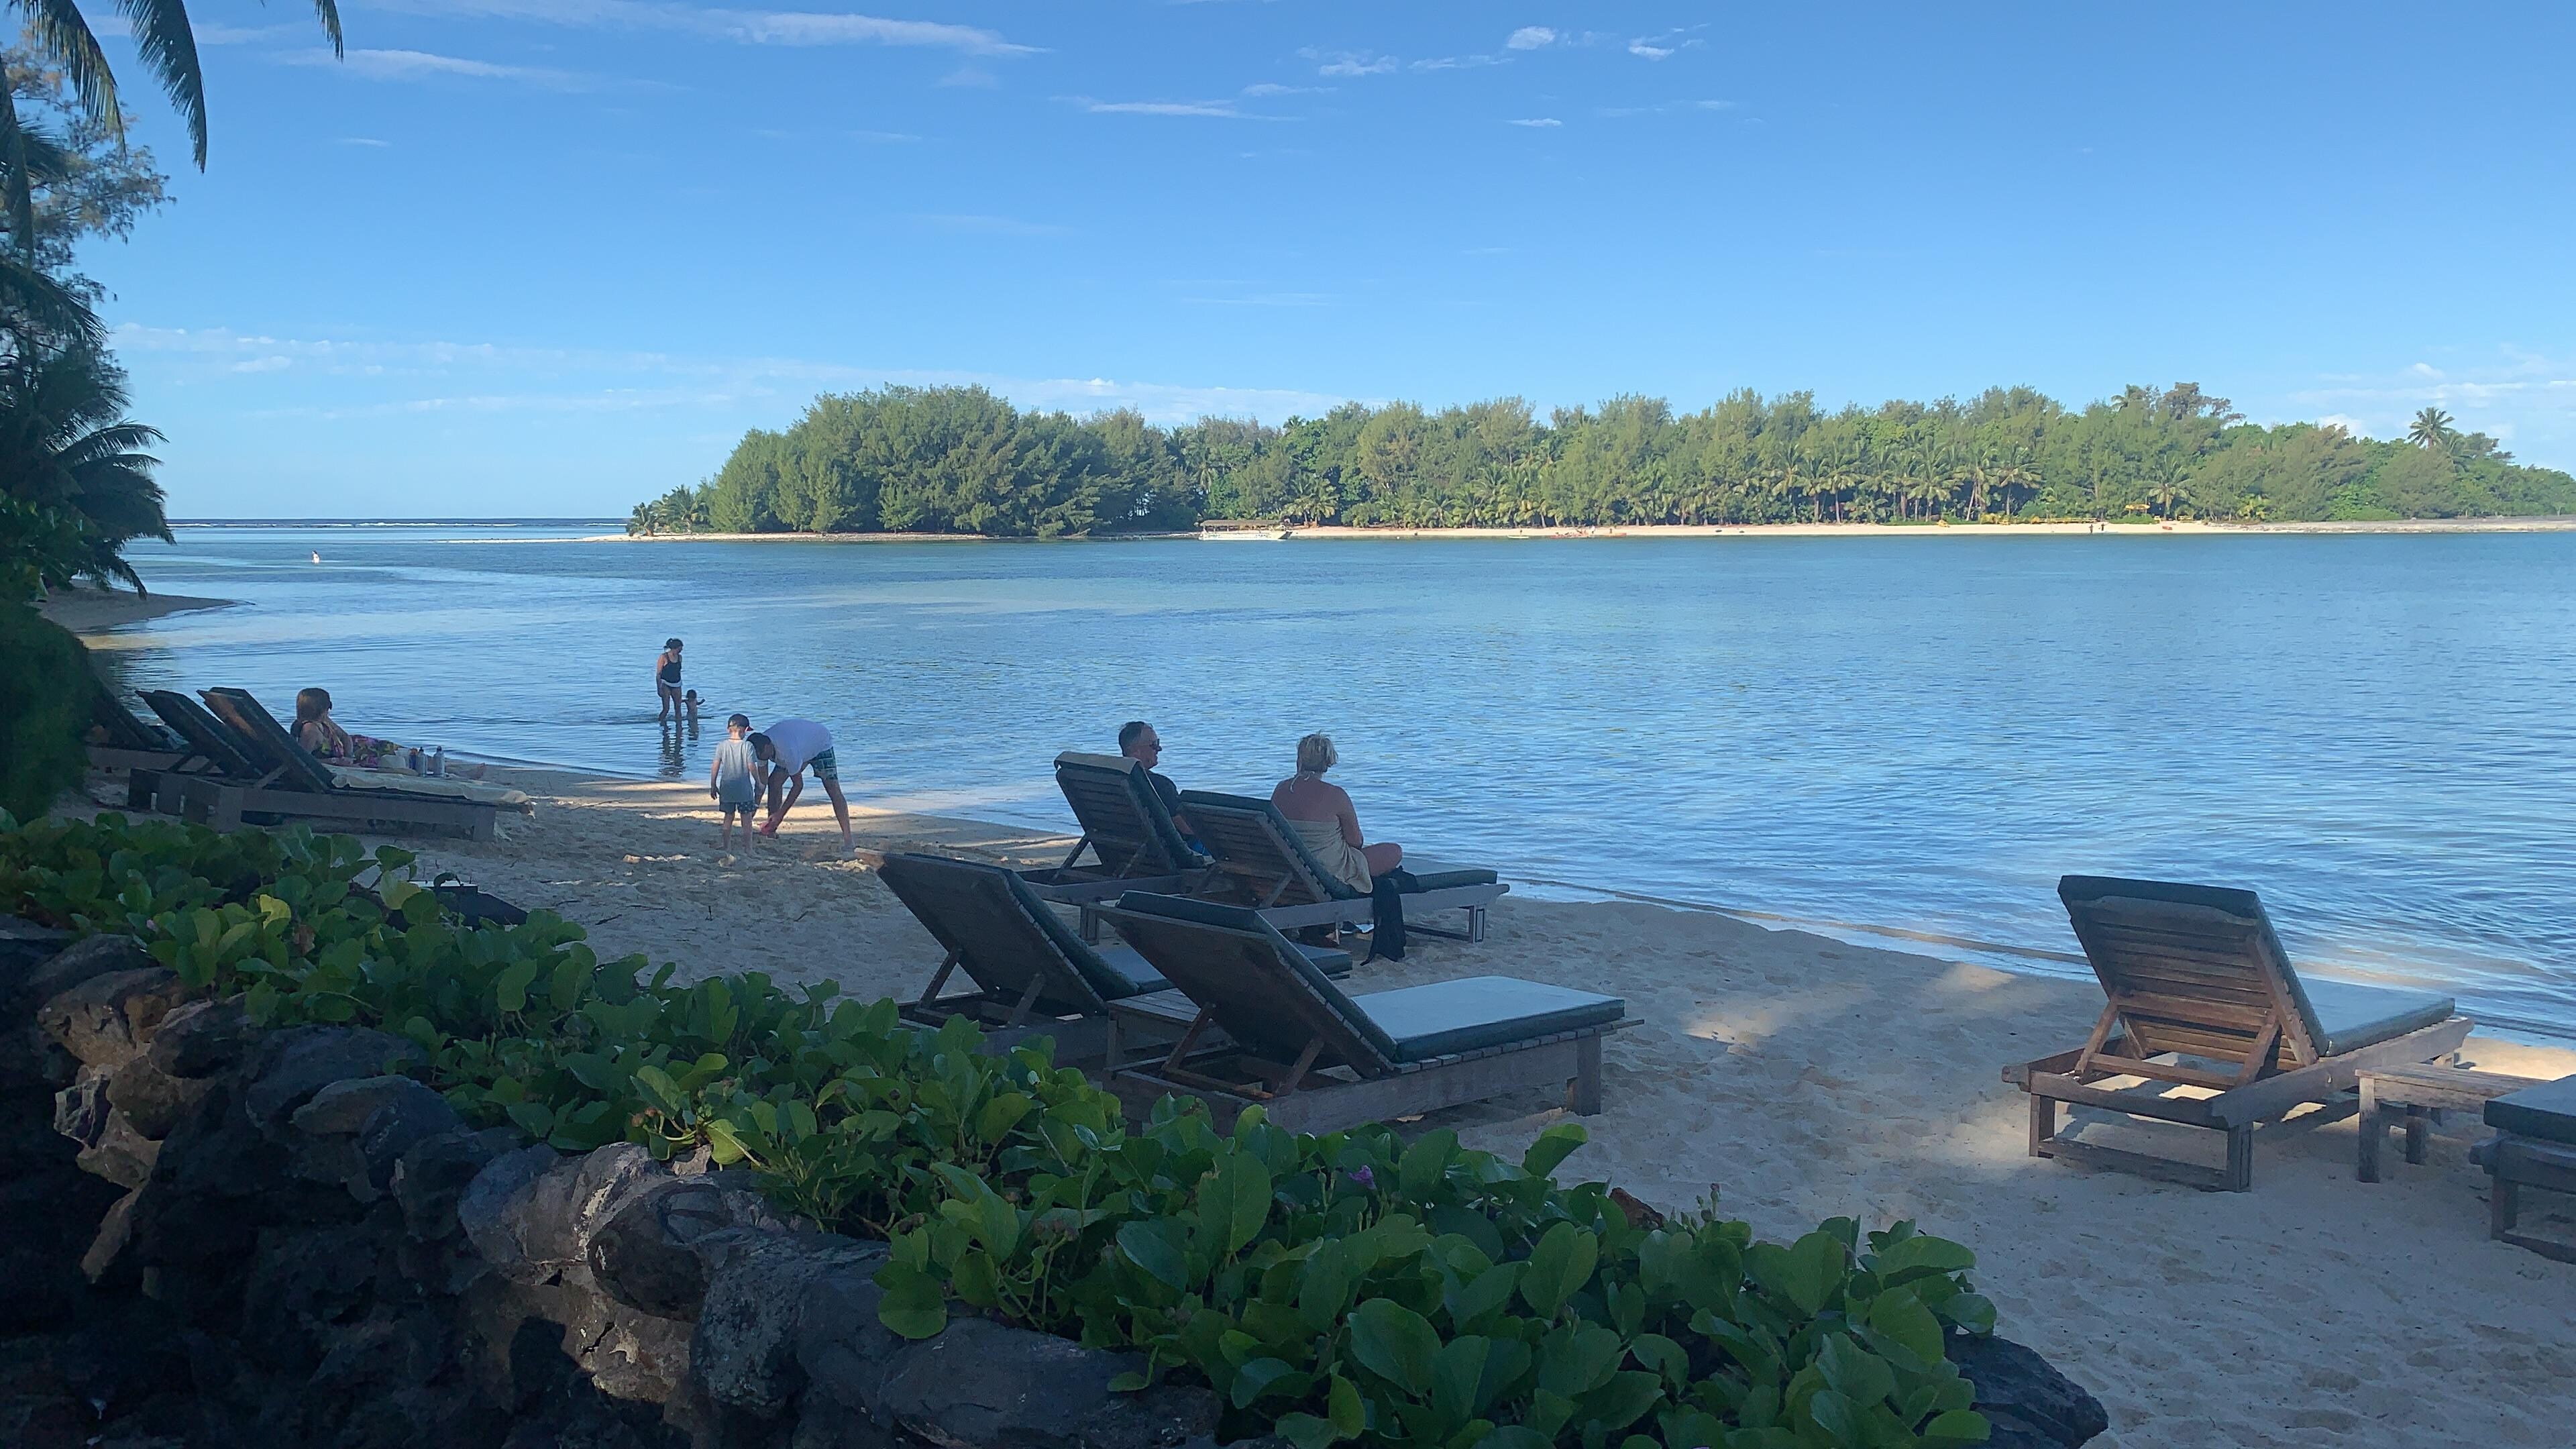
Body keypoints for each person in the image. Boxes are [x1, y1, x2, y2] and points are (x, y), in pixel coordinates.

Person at [1271, 733, 1398, 892]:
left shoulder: (1281, 790)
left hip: (1287, 866)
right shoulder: (1336, 795)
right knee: (1394, 851)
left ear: (1300, 760)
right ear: (1327, 763)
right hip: (1327, 871)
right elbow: (1356, 842)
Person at [292, 687, 484, 778]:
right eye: (328, 707)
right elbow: (302, 761)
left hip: (356, 748)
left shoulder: (323, 721)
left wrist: (350, 753)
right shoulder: (310, 730)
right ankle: (457, 772)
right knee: (400, 760)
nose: (330, 711)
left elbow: (344, 737)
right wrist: (337, 762)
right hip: (348, 759)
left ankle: (453, 769)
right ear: (320, 708)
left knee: (400, 751)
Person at [747, 716, 853, 849]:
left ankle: (848, 839)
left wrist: (781, 814)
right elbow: (762, 783)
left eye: (762, 755)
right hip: (800, 744)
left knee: (833, 789)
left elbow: (798, 786)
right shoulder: (759, 748)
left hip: (820, 744)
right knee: (774, 783)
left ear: (768, 747)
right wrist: (752, 810)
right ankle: (771, 830)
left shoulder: (788, 751)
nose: (761, 759)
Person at [1118, 719, 1198, 848]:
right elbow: (1186, 828)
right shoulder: (1161, 785)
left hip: (1127, 848)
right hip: (1167, 852)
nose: (1159, 749)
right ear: (1135, 750)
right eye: (1154, 744)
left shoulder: (1115, 780)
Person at [707, 712, 765, 851]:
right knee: (746, 819)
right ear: (745, 730)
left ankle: (727, 846)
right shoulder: (748, 746)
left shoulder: (722, 745)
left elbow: (715, 765)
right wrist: (759, 782)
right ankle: (748, 848)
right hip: (744, 789)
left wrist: (713, 784)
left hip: (726, 787)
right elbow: (751, 766)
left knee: (728, 817)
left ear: (728, 729)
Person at [654, 639, 686, 723]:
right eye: (680, 648)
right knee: (666, 708)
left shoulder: (680, 658)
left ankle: (679, 727)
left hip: (677, 684)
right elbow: (658, 674)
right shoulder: (664, 657)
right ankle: (661, 723)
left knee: (678, 707)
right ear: (675, 648)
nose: (681, 650)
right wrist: (659, 688)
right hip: (665, 683)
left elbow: (678, 671)